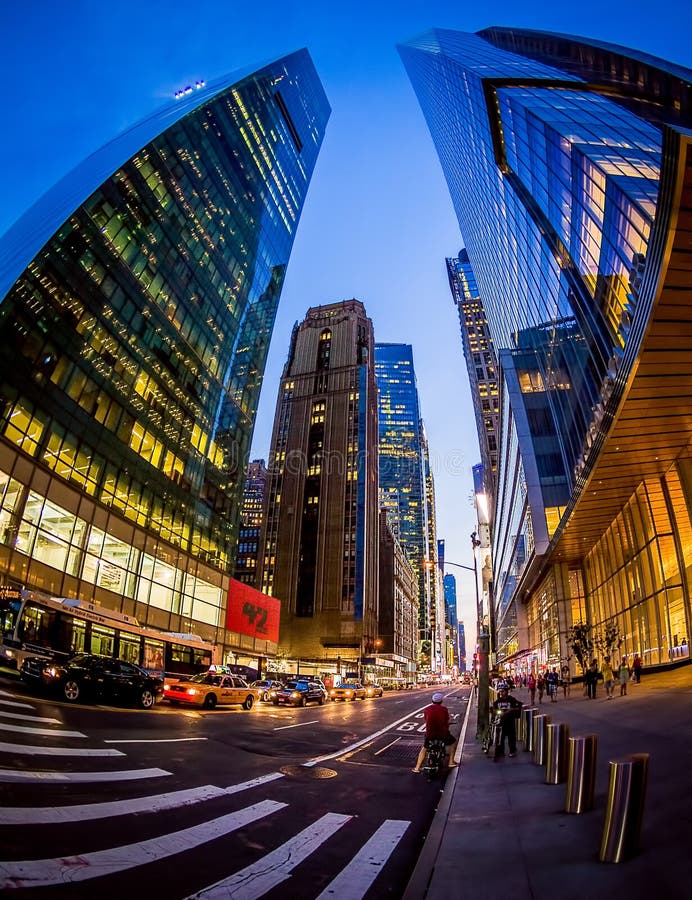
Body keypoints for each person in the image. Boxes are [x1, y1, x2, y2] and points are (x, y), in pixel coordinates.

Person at [412, 692, 457, 773]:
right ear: (441, 701)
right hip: (443, 733)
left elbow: (426, 719)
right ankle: (451, 762)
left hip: (430, 733)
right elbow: (446, 720)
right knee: (453, 742)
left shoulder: (427, 709)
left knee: (425, 747)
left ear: (432, 700)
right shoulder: (444, 709)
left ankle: (417, 767)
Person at [490, 685, 522, 761]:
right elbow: (494, 708)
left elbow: (518, 706)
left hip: (510, 721)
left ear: (506, 691)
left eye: (503, 691)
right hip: (501, 721)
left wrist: (511, 710)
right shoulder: (498, 701)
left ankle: (512, 750)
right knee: (501, 737)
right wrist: (493, 711)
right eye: (500, 691)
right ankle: (501, 751)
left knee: (511, 737)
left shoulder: (512, 699)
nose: (501, 693)